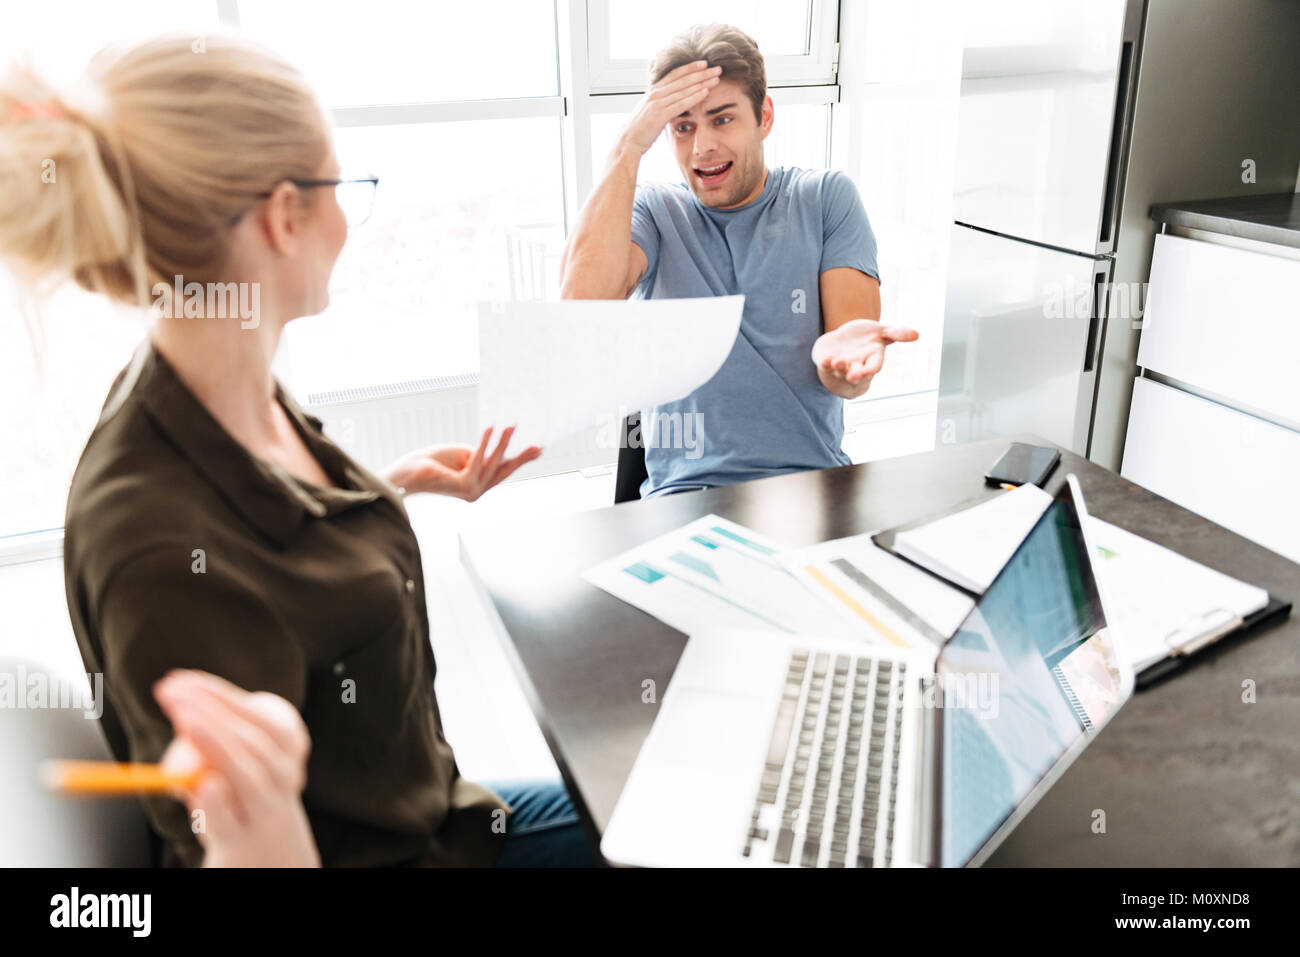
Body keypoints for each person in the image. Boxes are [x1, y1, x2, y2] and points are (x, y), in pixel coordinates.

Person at [0, 32, 599, 867]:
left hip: (436, 813)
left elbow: (274, 562)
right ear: (285, 215)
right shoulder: (156, 546)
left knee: (669, 795)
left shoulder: (216, 386)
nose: (349, 218)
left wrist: (393, 489)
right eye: (340, 185)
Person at [560, 22, 920, 498]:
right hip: (686, 497)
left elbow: (848, 368)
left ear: (764, 117)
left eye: (722, 119)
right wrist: (628, 146)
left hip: (809, 487)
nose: (701, 146)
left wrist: (843, 369)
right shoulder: (652, 211)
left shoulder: (824, 199)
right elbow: (579, 310)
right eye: (682, 127)